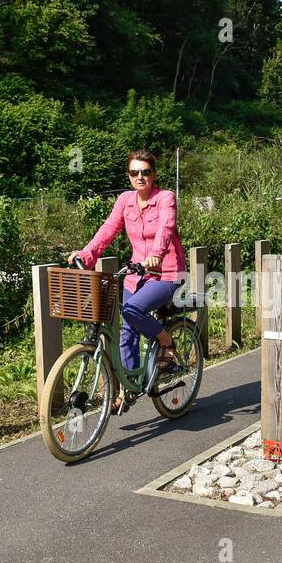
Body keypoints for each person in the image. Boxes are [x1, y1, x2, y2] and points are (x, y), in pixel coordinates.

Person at [68, 150, 186, 409]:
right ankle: (129, 388)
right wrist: (86, 254)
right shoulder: (125, 200)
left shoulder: (166, 198)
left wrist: (156, 254)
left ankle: (166, 341)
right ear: (129, 176)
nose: (140, 176)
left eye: (145, 172)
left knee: (132, 310)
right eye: (135, 172)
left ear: (154, 175)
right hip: (136, 274)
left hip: (165, 272)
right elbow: (108, 229)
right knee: (126, 332)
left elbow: (166, 228)